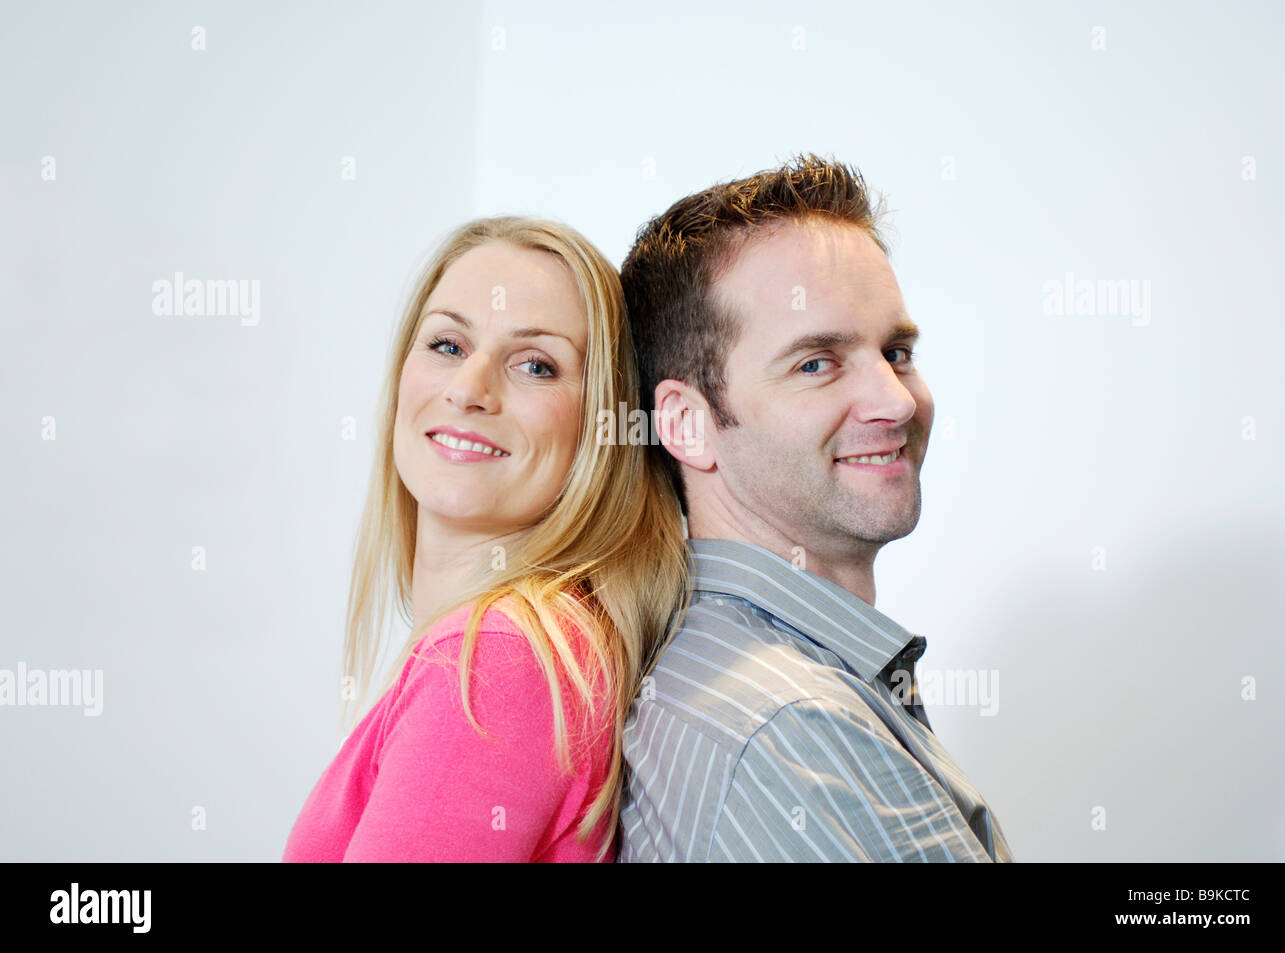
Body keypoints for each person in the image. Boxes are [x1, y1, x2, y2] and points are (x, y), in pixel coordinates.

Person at [617, 154, 1015, 862]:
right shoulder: (783, 729)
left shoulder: (799, 689)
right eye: (816, 363)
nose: (896, 401)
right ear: (686, 423)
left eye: (896, 352)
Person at [283, 217, 688, 862]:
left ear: (600, 427)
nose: (469, 390)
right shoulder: (528, 648)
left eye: (536, 365)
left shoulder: (493, 664)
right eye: (447, 345)